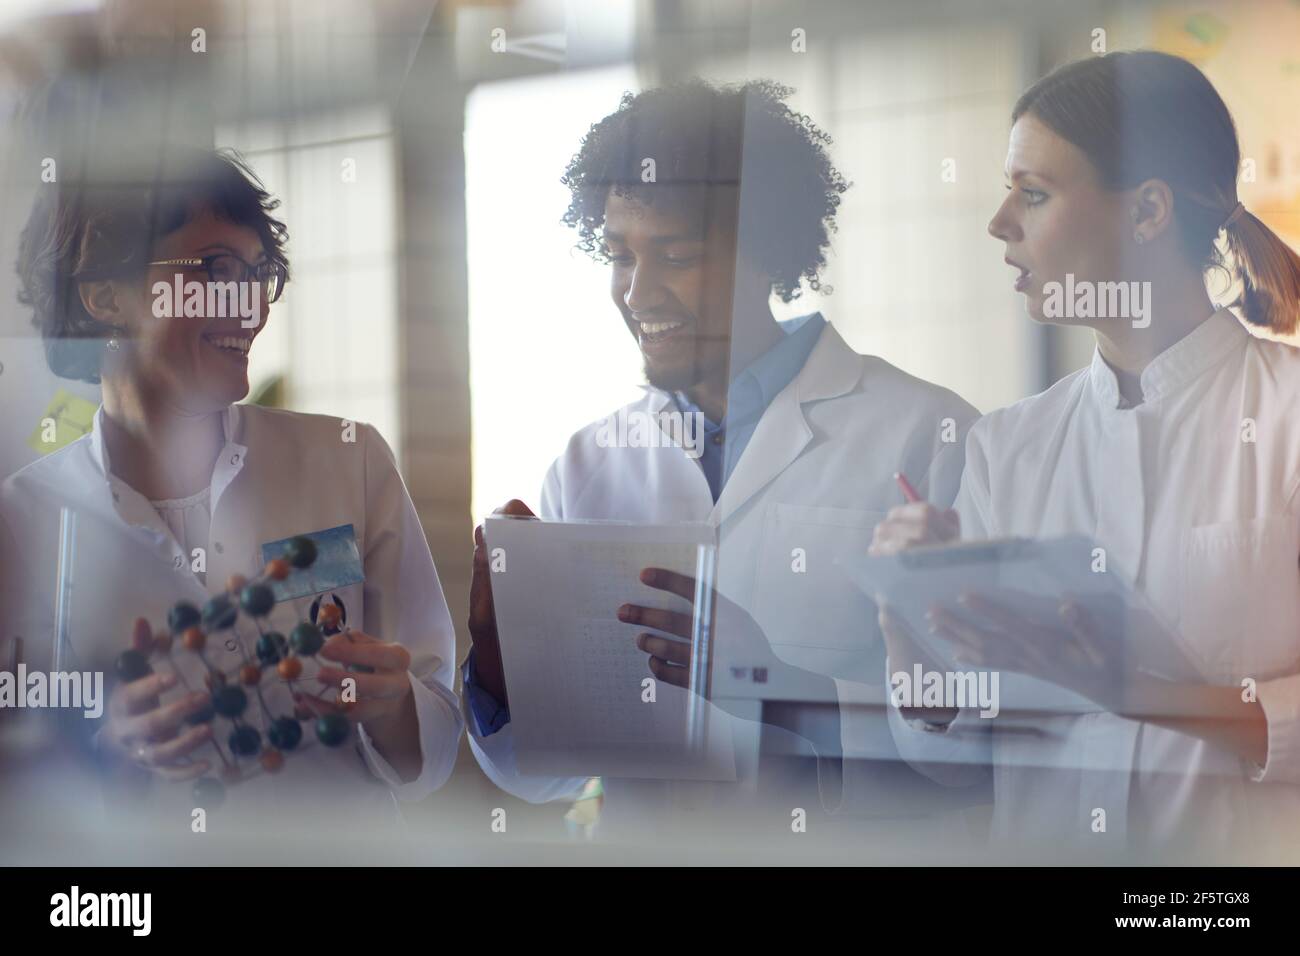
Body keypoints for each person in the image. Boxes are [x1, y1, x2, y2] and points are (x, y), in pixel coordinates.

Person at [464, 79, 979, 836]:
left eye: (674, 255)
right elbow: (546, 780)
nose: (638, 292)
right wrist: (501, 666)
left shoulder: (926, 432)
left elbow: (973, 746)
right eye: (619, 256)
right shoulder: (587, 464)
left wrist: (779, 690)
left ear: (767, 252)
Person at [871, 50, 1300, 856]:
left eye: (1033, 193)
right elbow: (954, 758)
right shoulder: (1008, 447)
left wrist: (1144, 695)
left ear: (1147, 212)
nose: (1000, 222)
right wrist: (905, 623)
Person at [0, 148, 463, 832]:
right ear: (103, 295)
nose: (251, 307)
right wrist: (103, 750)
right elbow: (23, 790)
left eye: (260, 275)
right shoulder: (22, 520)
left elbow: (437, 735)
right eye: (217, 272)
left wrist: (396, 705)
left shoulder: (348, 458)